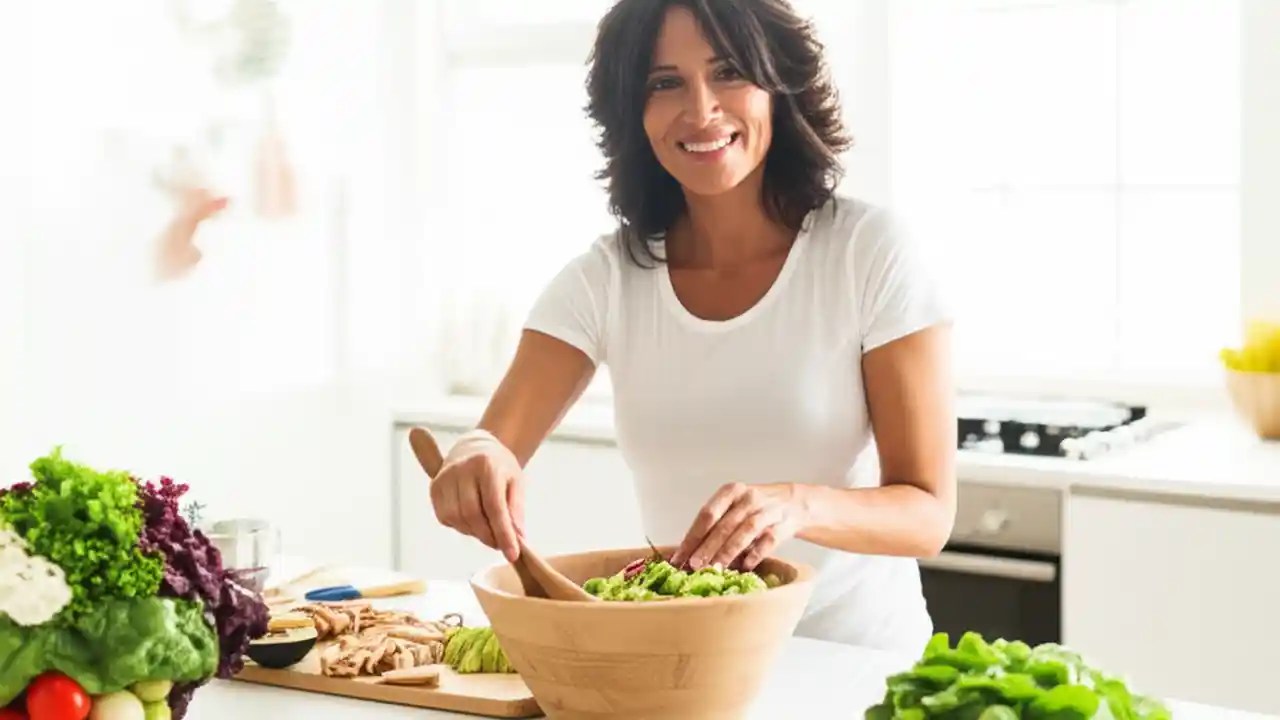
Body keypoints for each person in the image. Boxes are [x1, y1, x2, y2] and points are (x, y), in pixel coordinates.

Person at [427, 0, 956, 654]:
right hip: (687, 669)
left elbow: (928, 513)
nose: (702, 109)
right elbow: (492, 441)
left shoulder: (867, 250)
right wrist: (477, 456)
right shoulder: (607, 278)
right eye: (665, 82)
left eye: (729, 71)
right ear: (634, 111)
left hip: (854, 666)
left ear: (778, 85)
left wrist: (798, 504)